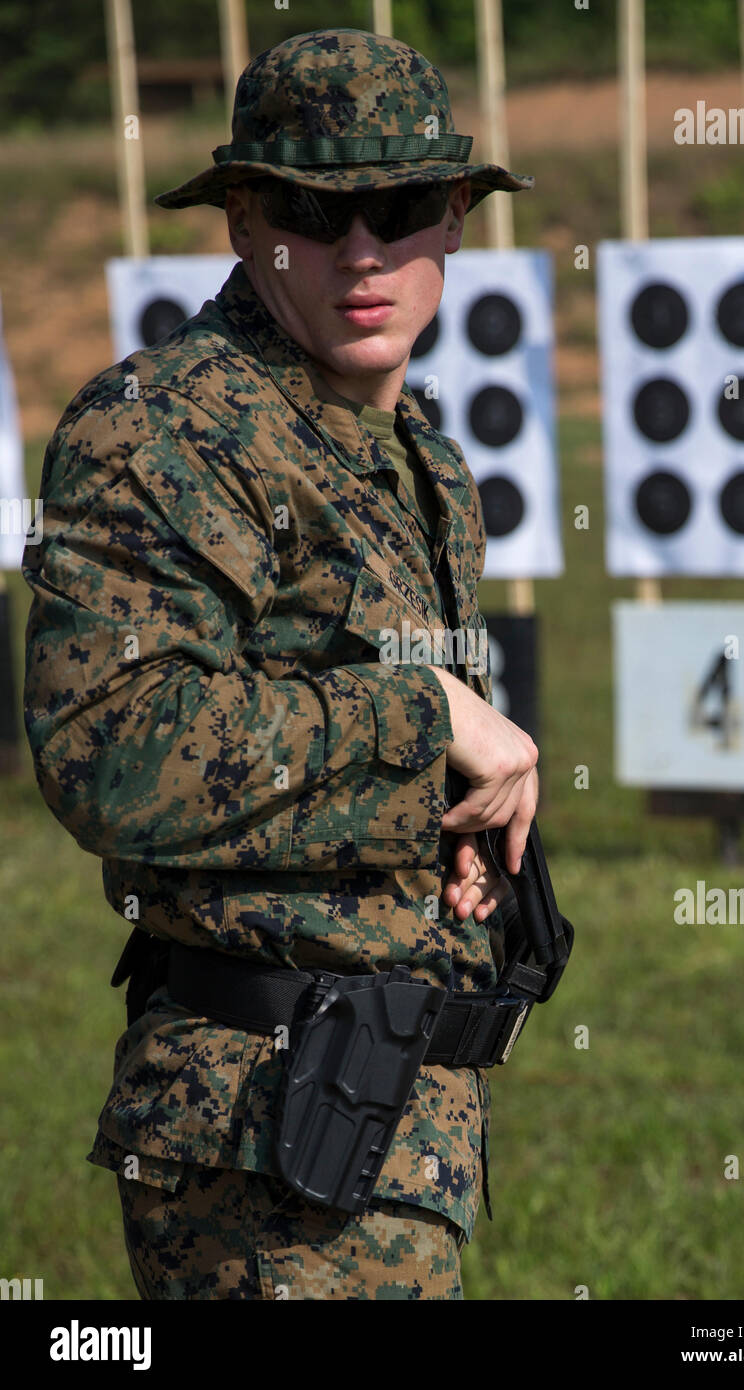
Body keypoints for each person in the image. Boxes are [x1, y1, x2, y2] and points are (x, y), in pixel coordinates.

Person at [21, 27, 538, 1300]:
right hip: (261, 1139)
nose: (362, 250)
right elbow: (108, 748)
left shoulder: (414, 452)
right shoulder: (172, 429)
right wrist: (418, 720)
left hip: (390, 1127)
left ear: (455, 221)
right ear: (247, 222)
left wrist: (447, 832)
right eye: (316, 209)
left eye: (399, 205)